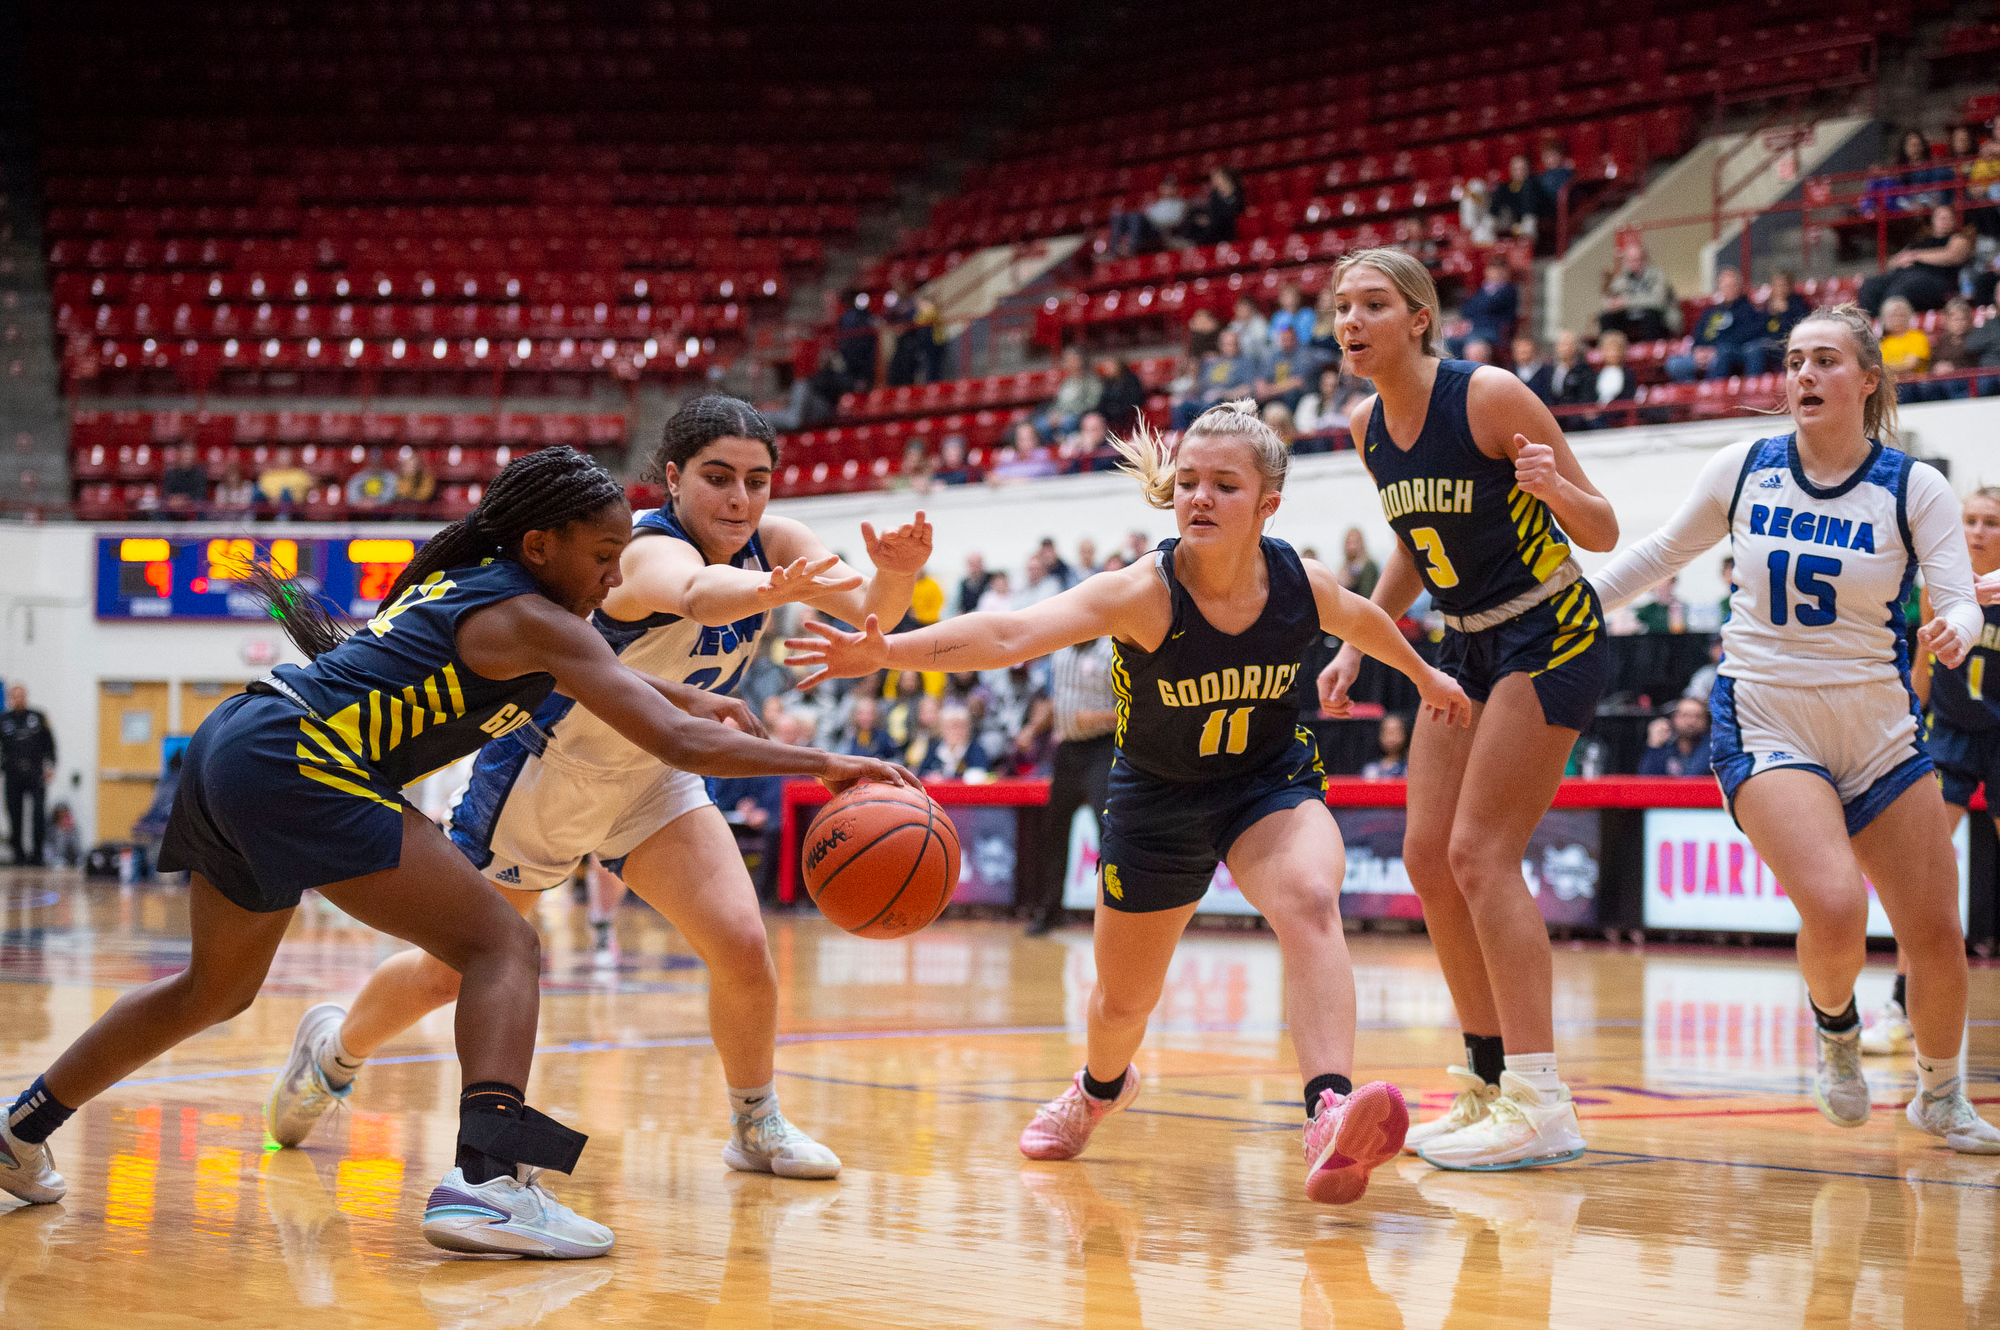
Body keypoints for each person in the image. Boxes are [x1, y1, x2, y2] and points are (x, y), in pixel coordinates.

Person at [0, 446, 915, 1251]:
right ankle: (486, 1183)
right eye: (603, 558)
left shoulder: (500, 595)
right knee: (502, 945)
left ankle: (22, 1126)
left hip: (239, 739)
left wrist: (695, 699)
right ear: (540, 547)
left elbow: (645, 704)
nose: (611, 576)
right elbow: (674, 745)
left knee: (217, 988)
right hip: (297, 760)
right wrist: (828, 762)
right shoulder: (539, 618)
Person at [785, 400, 1473, 1205]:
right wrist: (885, 650)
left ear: (1267, 505)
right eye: (1188, 483)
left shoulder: (1298, 581)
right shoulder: (1144, 592)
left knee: (1312, 901)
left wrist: (1425, 677)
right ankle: (1101, 1087)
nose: (1200, 498)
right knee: (1121, 1003)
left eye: (1224, 484)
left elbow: (1365, 618)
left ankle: (1326, 1108)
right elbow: (1010, 635)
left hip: (1267, 783)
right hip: (1157, 800)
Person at [260, 398, 932, 1191]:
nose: (739, 500)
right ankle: (333, 1054)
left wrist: (895, 574)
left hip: (658, 778)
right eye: (718, 479)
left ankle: (755, 1122)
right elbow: (697, 596)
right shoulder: (643, 547)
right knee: (453, 972)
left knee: (744, 947)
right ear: (674, 478)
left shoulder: (775, 545)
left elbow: (869, 619)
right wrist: (773, 596)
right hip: (548, 772)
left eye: (757, 482)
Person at [1589, 304, 1999, 1153]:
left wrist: (1955, 627)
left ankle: (1941, 1094)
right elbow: (1662, 553)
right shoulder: (1744, 466)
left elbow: (1958, 592)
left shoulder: (1910, 485)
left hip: (1880, 729)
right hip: (1767, 714)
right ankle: (1837, 1028)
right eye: (1794, 360)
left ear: (1868, 380)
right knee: (1836, 904)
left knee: (1934, 933)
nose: (1804, 375)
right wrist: (1570, 606)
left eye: (1825, 360)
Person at [1320, 247, 1620, 1171]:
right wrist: (1357, 639)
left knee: (1481, 852)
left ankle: (1544, 1099)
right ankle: (1488, 1083)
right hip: (1463, 642)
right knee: (1425, 854)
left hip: (1549, 626)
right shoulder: (1369, 426)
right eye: (1340, 307)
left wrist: (1555, 490)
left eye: (1373, 304)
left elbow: (1601, 527)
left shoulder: (1487, 395)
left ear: (1420, 318)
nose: (1352, 322)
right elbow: (1416, 544)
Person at [1875, 487, 2000, 1055]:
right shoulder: (1939, 588)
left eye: (1990, 522)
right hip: (1947, 731)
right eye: (1969, 520)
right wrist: (1906, 722)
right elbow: (1923, 665)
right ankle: (1900, 1004)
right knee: (1921, 867)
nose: (1976, 531)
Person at [1024, 632, 1120, 935]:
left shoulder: (1113, 652)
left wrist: (1101, 717)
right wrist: (1031, 729)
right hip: (1067, 750)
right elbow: (1058, 702)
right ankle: (1051, 910)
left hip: (1103, 748)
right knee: (1053, 831)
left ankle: (1118, 912)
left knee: (1108, 830)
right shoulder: (1060, 654)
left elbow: (1140, 708)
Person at [1857, 205, 1972, 316]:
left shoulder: (1958, 239)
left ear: (1954, 221)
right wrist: (1900, 261)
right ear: (1933, 220)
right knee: (1870, 286)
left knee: (1902, 287)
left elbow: (1952, 256)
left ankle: (1889, 325)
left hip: (1936, 282)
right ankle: (1873, 325)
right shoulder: (1921, 241)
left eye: (1947, 218)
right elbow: (1890, 263)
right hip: (1904, 277)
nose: (1943, 221)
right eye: (1940, 217)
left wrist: (1917, 256)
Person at [1665, 268, 1764, 382]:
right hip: (1703, 354)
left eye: (1732, 285)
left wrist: (1715, 350)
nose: (1729, 289)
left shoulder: (1748, 310)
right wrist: (1698, 351)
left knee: (1721, 356)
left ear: (1739, 287)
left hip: (1727, 355)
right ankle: (1693, 394)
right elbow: (1698, 334)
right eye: (1725, 286)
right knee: (1673, 364)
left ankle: (1710, 393)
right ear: (1719, 287)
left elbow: (1743, 336)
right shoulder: (1710, 311)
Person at [1, 685, 56, 867]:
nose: (18, 699)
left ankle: (37, 854)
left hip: (35, 772)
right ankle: (18, 854)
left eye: (21, 696)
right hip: (13, 773)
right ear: (10, 698)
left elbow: (49, 744)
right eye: (14, 696)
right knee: (15, 814)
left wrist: (50, 765)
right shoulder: (4, 720)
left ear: (26, 697)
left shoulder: (38, 717)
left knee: (38, 813)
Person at [1597, 238, 1673, 342]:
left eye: (1638, 259)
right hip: (1629, 318)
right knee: (1607, 317)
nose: (1635, 263)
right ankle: (1611, 349)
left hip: (1657, 319)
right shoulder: (1621, 278)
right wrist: (1612, 304)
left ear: (1645, 259)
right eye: (1630, 260)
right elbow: (1607, 301)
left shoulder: (1658, 276)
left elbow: (1658, 301)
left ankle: (1651, 350)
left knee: (1651, 315)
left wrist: (1626, 302)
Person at [1447, 260, 1519, 357]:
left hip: (1493, 331)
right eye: (1492, 270)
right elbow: (1466, 309)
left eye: (1498, 271)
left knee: (1474, 349)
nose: (1495, 274)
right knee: (1450, 342)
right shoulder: (1481, 290)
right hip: (1474, 329)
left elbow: (1489, 307)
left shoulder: (1509, 290)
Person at [1255, 326, 1334, 411]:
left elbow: (1298, 382)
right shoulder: (1274, 356)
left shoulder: (1305, 354)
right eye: (1283, 338)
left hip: (1296, 398)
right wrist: (1263, 388)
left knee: (1292, 395)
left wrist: (1271, 391)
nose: (1286, 341)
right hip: (1273, 398)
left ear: (1295, 338)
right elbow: (1261, 378)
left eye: (1289, 338)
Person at [1751, 271, 1810, 373]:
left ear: (1790, 286)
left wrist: (1785, 312)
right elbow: (1755, 330)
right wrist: (1769, 314)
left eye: (1783, 285)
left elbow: (1799, 329)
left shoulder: (1798, 304)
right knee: (1753, 349)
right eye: (1776, 285)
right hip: (1767, 343)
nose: (1779, 289)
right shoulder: (1766, 306)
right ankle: (1751, 385)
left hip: (1787, 343)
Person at [1039, 346, 1103, 438]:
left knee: (1069, 423)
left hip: (1077, 416)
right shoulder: (1067, 381)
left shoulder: (1091, 380)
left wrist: (1065, 415)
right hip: (1059, 416)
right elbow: (1058, 402)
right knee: (1040, 424)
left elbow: (1092, 404)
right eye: (1066, 360)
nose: (1068, 363)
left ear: (1080, 360)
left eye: (1071, 359)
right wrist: (1053, 414)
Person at [1638, 697, 1713, 776]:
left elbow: (1694, 776)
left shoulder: (1712, 748)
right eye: (1685, 715)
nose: (1691, 722)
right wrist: (1654, 745)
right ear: (1674, 718)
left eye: (1698, 716)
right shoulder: (1666, 747)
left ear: (1706, 721)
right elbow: (1647, 778)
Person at [1877, 296, 1932, 393]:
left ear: (1909, 316)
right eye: (1893, 315)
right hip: (1890, 387)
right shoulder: (1882, 342)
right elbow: (1879, 368)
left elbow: (1911, 364)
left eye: (1901, 315)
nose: (1897, 318)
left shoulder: (1918, 337)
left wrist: (1888, 368)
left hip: (1915, 386)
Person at [161, 443, 209, 511]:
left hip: (193, 510)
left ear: (194, 455)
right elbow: (166, 493)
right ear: (179, 454)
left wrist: (184, 499)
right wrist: (175, 499)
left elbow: (201, 494)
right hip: (173, 509)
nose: (187, 456)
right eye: (185, 453)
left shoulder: (200, 474)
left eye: (190, 453)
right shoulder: (170, 474)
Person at [1336, 527, 1379, 599]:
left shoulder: (1368, 566)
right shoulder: (1344, 568)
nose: (1352, 547)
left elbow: (1367, 595)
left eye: (1355, 542)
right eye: (1349, 543)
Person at [1361, 713, 1409, 778]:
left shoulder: (1408, 769)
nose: (1391, 737)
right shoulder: (1371, 769)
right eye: (1387, 732)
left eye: (1395, 732)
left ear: (1405, 734)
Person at [1512, 336, 1553, 403]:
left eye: (1526, 348)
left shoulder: (1546, 372)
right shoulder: (1509, 373)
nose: (1523, 351)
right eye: (1520, 350)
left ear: (1534, 350)